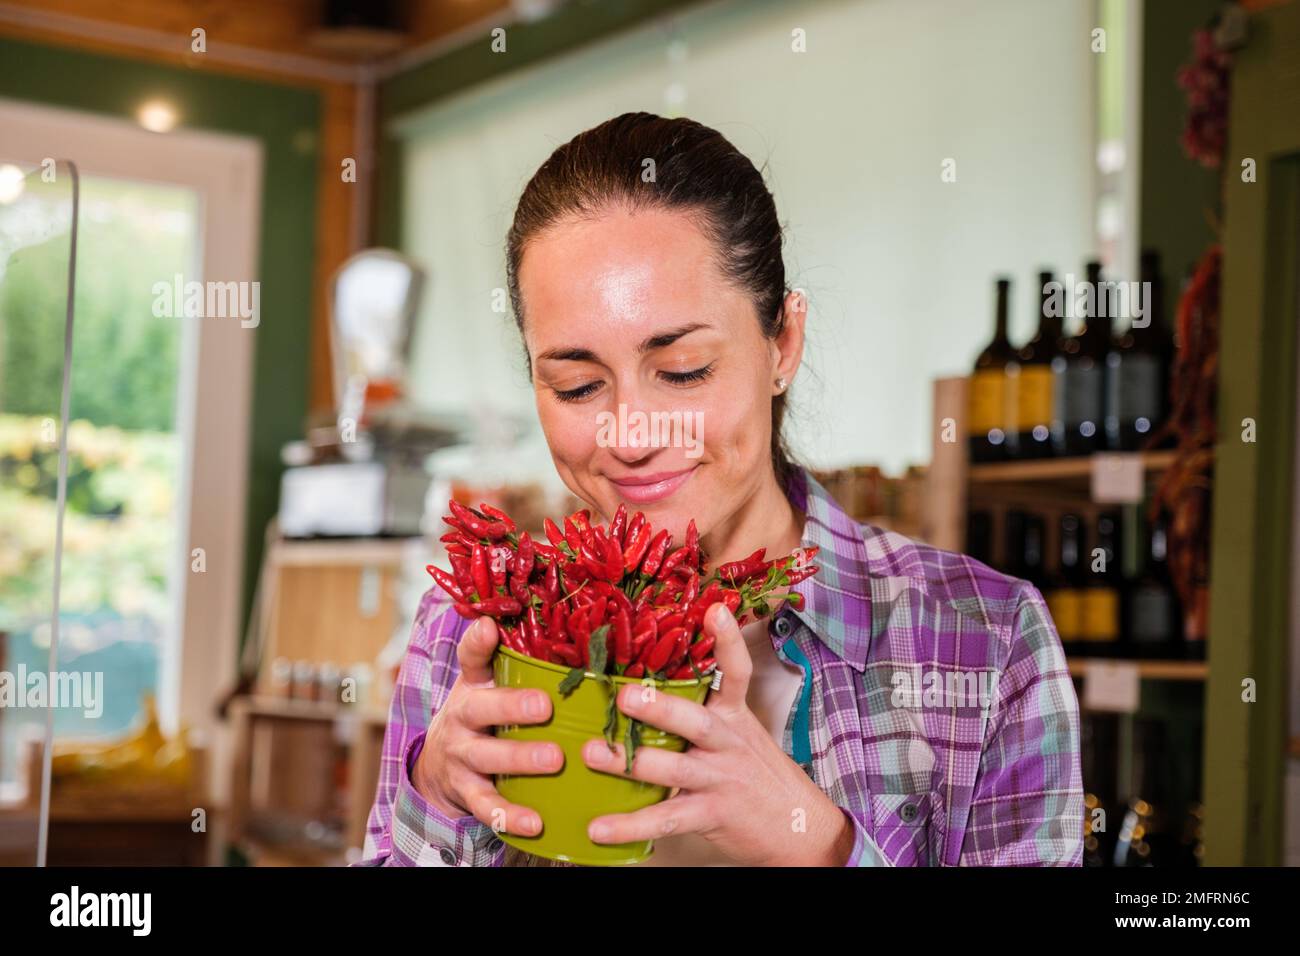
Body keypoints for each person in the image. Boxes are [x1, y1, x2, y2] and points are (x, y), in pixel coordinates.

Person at [355, 112, 1083, 867]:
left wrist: (822, 847)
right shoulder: (470, 626)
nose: (630, 437)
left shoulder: (984, 641)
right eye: (576, 385)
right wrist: (435, 796)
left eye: (683, 371)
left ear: (783, 344)